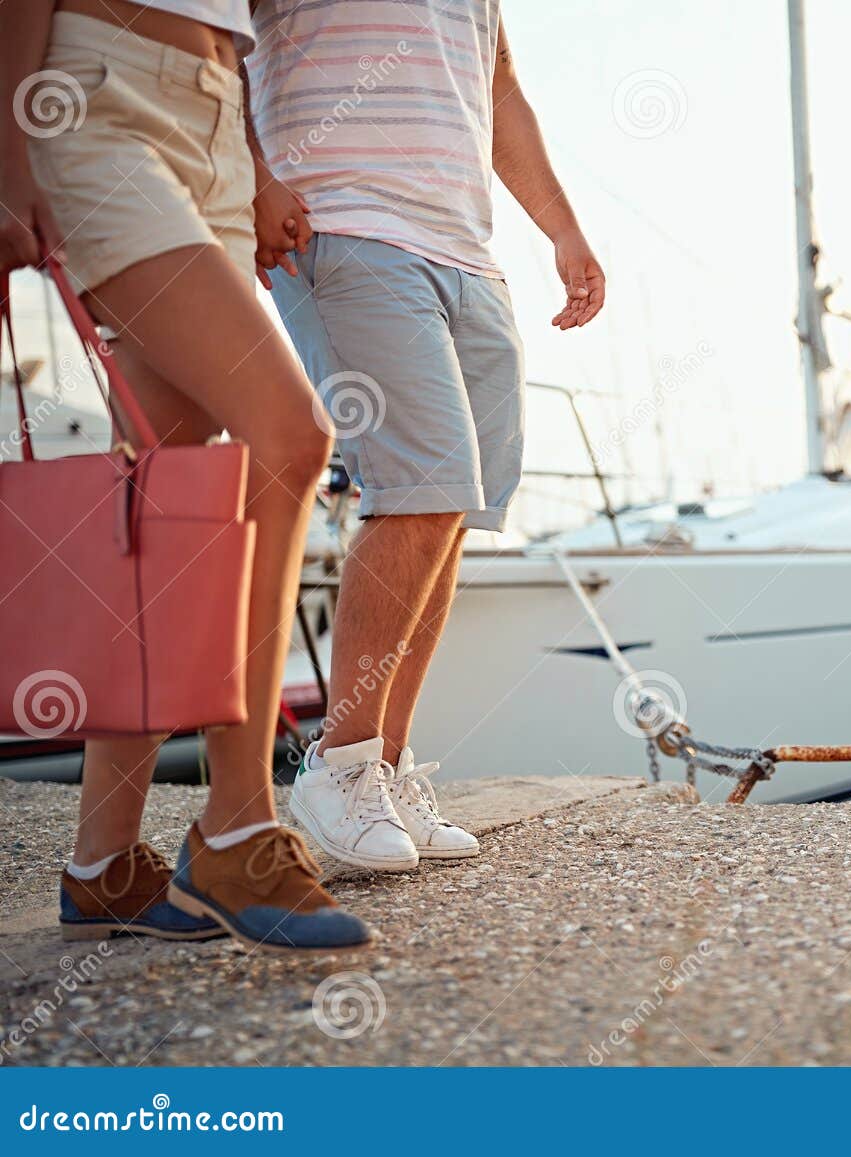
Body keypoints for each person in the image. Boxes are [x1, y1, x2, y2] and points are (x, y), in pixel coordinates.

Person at [0, 0, 368, 952]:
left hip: (218, 116)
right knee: (290, 434)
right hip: (91, 92)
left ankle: (103, 863)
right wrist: (5, 152)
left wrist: (253, 158)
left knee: (161, 491)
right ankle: (238, 826)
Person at [243, 0, 605, 870]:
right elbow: (221, 36)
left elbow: (500, 84)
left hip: (466, 251)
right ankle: (340, 762)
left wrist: (562, 227)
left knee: (459, 504)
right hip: (342, 220)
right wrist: (254, 176)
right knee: (424, 482)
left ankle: (387, 767)